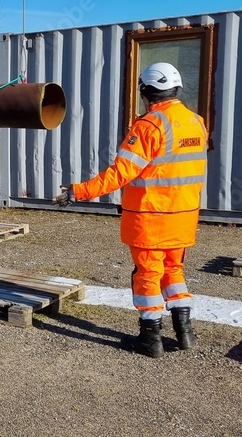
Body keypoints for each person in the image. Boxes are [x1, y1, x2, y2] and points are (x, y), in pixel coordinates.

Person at [52, 62, 208, 358]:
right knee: (173, 269)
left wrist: (77, 191)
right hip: (184, 216)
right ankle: (185, 332)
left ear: (146, 91)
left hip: (151, 218)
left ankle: (151, 340)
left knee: (147, 273)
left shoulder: (149, 126)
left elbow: (119, 174)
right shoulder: (196, 122)